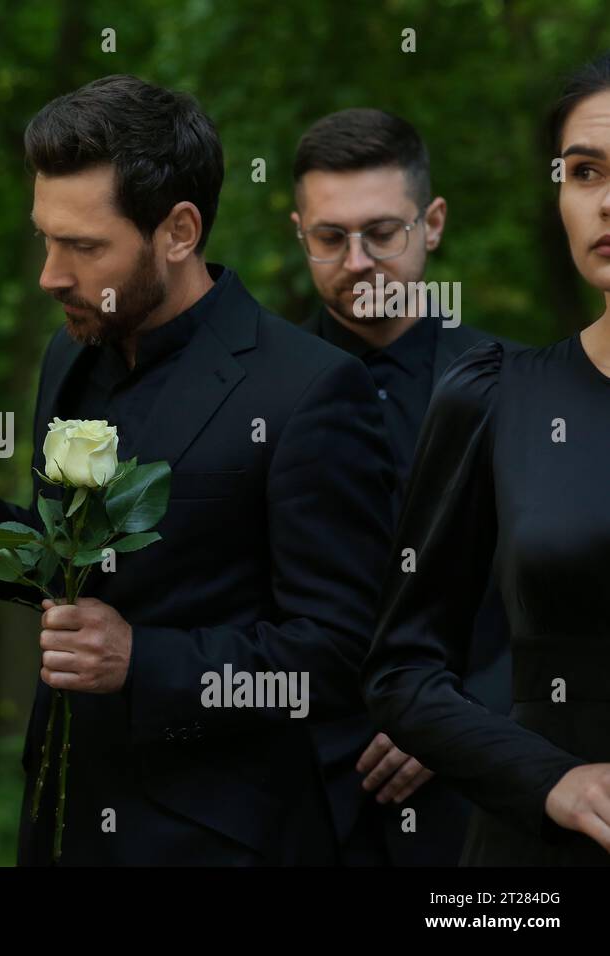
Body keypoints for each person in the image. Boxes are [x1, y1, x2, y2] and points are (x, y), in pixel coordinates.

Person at [0, 75, 396, 865]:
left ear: (179, 231)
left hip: (217, 843)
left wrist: (143, 661)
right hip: (59, 820)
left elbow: (334, 662)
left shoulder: (309, 390)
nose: (51, 273)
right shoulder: (69, 352)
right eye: (48, 237)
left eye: (84, 247)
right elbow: (72, 576)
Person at [364, 53, 610, 865]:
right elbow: (403, 670)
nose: (606, 201)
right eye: (583, 172)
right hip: (534, 863)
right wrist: (552, 780)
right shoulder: (496, 397)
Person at [290, 108, 515, 865]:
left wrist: (455, 719)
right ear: (300, 233)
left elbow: (565, 598)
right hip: (303, 800)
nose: (357, 261)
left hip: (480, 796)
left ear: (434, 223)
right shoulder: (259, 387)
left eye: (383, 233)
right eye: (330, 237)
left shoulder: (520, 386)